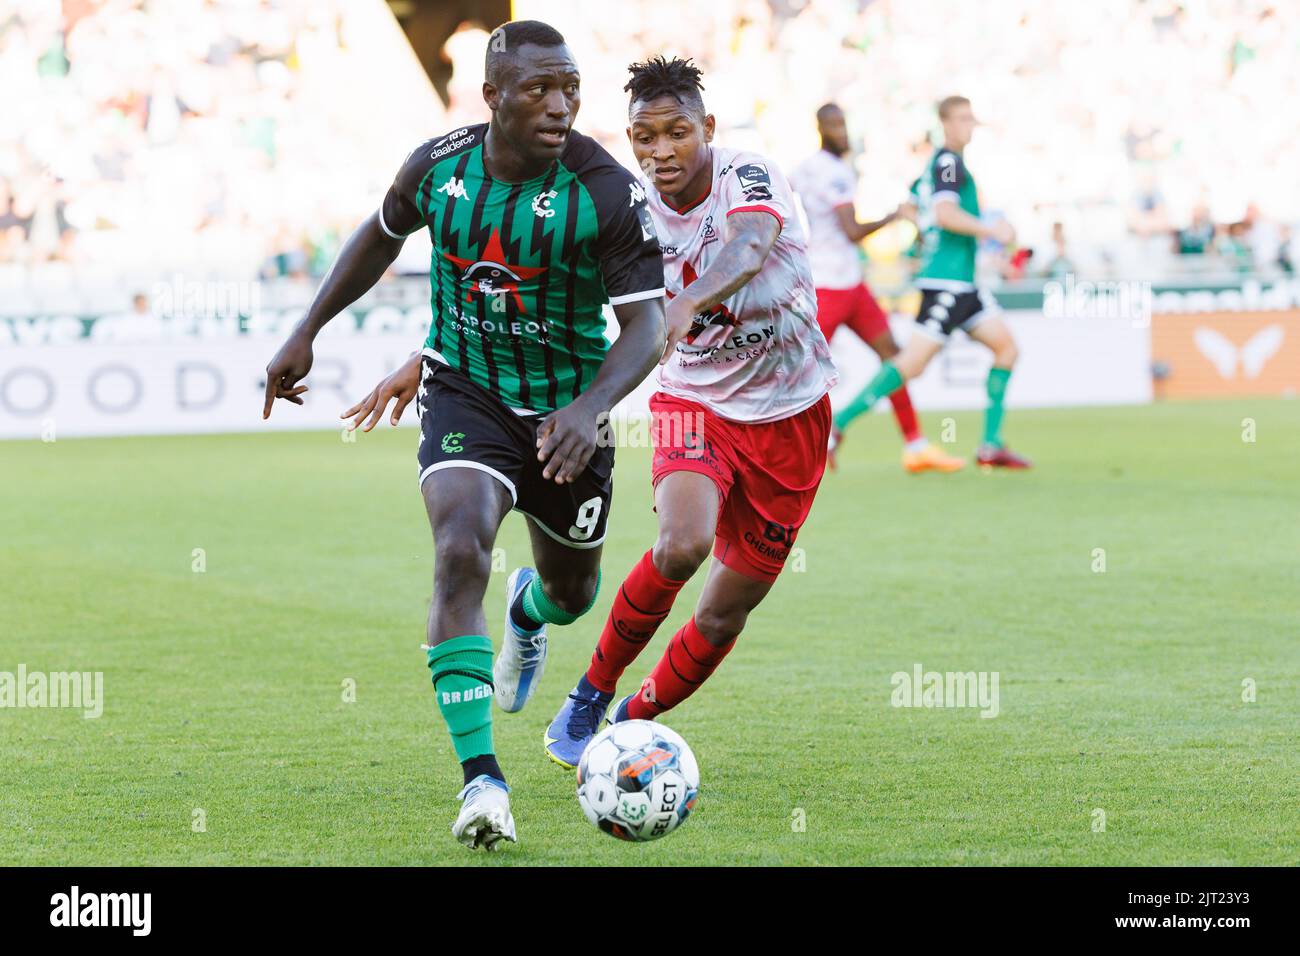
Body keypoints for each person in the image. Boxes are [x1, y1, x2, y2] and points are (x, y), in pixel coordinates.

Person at [263, 20, 667, 850]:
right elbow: (378, 237)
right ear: (492, 97)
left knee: (572, 594)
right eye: (537, 90)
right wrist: (308, 329)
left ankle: (528, 610)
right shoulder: (438, 166)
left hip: (567, 413)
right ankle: (482, 780)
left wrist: (591, 408)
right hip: (464, 391)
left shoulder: (605, 191)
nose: (560, 106)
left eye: (570, 88)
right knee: (457, 548)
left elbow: (646, 327)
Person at [534, 55, 838, 766]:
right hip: (690, 399)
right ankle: (591, 693)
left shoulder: (748, 174)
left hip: (793, 415)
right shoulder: (625, 207)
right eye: (644, 136)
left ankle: (631, 726)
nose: (660, 151)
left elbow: (751, 243)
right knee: (681, 545)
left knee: (724, 609)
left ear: (707, 127)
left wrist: (689, 299)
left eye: (676, 132)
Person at [831, 96, 1031, 470]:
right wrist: (991, 230)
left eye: (972, 118)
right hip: (947, 285)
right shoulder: (949, 163)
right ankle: (837, 426)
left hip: (964, 284)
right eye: (962, 119)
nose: (969, 125)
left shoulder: (937, 167)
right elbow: (944, 213)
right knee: (911, 364)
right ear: (946, 124)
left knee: (1007, 349)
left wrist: (936, 236)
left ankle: (990, 445)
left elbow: (915, 209)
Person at [792, 103, 964, 473]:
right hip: (829, 284)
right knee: (805, 371)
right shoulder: (835, 171)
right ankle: (799, 447)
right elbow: (852, 232)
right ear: (820, 128)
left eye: (843, 123)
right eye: (834, 125)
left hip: (850, 283)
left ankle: (915, 445)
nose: (841, 131)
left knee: (893, 356)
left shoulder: (803, 169)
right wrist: (894, 216)